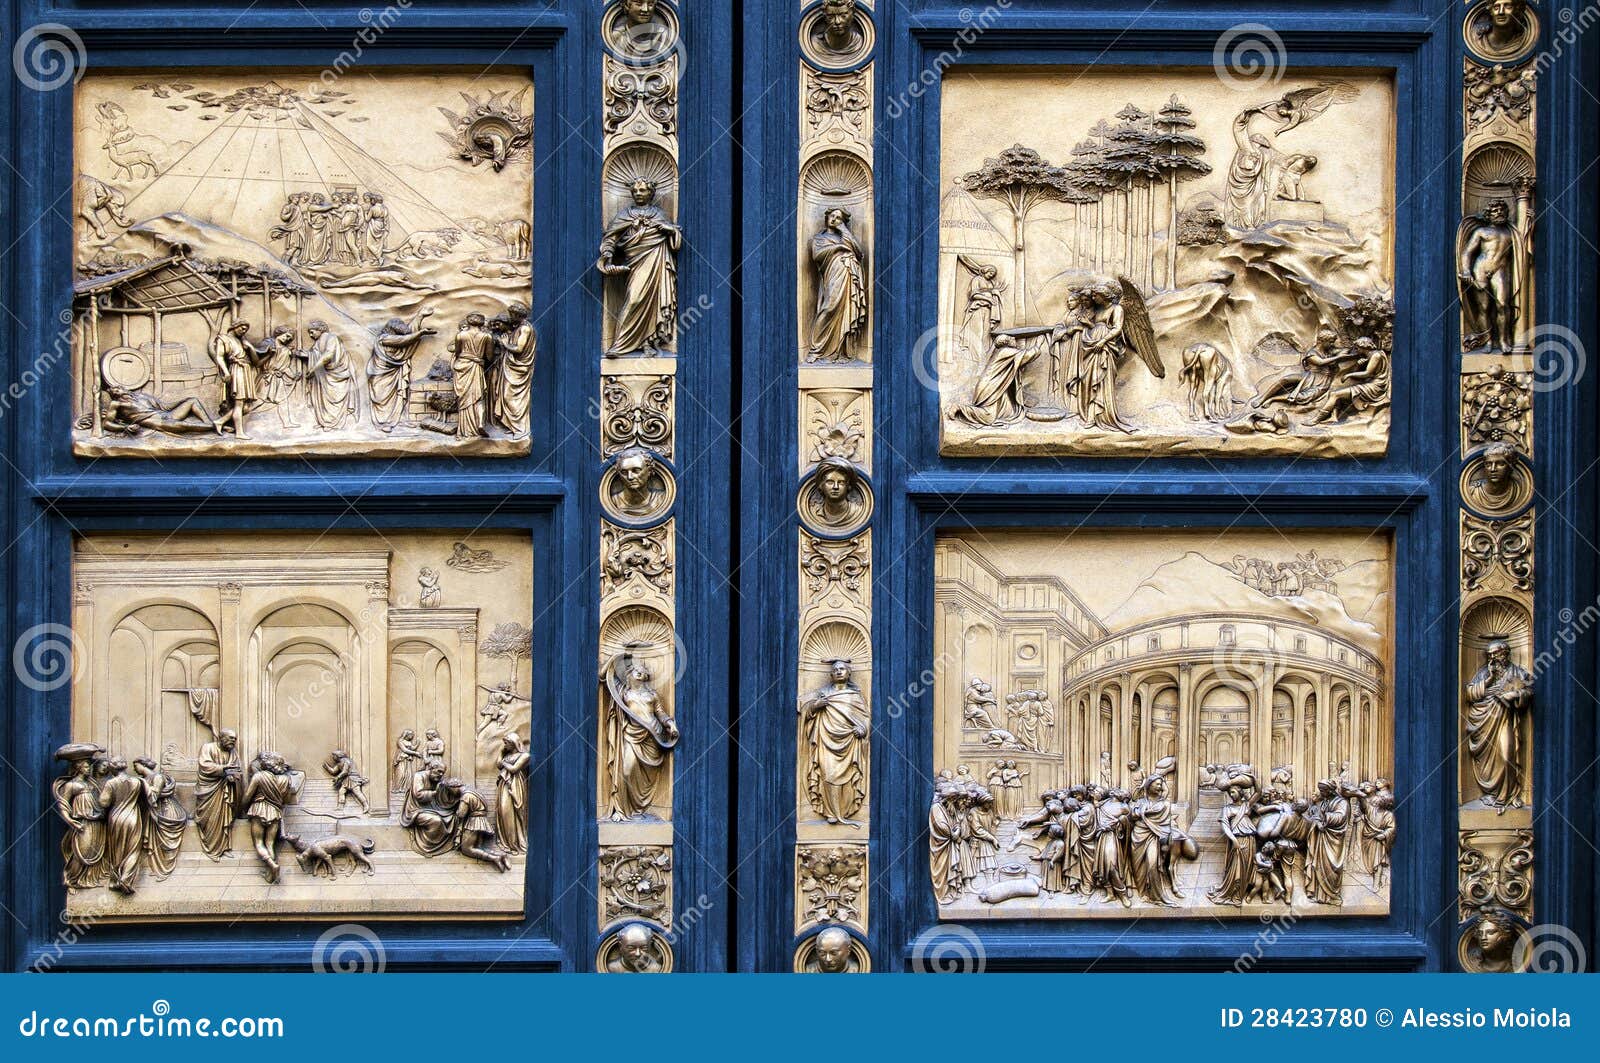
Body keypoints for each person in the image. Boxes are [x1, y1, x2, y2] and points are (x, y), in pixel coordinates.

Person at [597, 179, 682, 356]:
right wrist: (607, 256)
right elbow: (611, 238)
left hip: (656, 260)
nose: (638, 194)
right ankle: (619, 343)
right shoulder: (625, 215)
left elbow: (673, 239)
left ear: (650, 193)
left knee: (654, 301)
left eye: (642, 190)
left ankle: (647, 342)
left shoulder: (658, 214)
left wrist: (670, 230)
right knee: (634, 299)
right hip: (635, 261)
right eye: (635, 191)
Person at [603, 652, 679, 821]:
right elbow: (605, 676)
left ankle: (644, 807)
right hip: (632, 735)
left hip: (653, 736)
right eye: (636, 670)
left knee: (646, 776)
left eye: (642, 671)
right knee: (626, 770)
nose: (640, 673)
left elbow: (660, 713)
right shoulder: (624, 692)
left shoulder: (652, 695)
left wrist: (670, 724)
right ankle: (622, 810)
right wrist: (616, 657)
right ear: (629, 675)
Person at [1465, 639, 1534, 811]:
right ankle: (1494, 794)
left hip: (1504, 721)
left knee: (1506, 756)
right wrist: (1488, 679)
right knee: (1489, 762)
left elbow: (1528, 690)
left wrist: (1515, 695)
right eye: (1489, 655)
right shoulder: (1484, 673)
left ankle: (1509, 795)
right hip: (1485, 722)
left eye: (1495, 654)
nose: (1492, 659)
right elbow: (1470, 694)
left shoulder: (1516, 672)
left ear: (1505, 654)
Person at [798, 659, 869, 825]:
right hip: (825, 740)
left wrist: (862, 729)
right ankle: (831, 811)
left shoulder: (855, 696)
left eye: (842, 669)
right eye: (835, 669)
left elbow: (865, 718)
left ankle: (844, 810)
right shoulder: (822, 694)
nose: (838, 671)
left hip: (849, 741)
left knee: (848, 775)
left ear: (849, 673)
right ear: (830, 675)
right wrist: (816, 706)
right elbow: (804, 709)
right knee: (828, 774)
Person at [1458, 199, 1524, 353]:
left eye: (1502, 210)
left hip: (1500, 271)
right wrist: (1466, 271)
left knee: (1502, 304)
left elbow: (1524, 244)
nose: (1499, 212)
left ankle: (1503, 340)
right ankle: (1487, 341)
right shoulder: (1481, 232)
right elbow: (1467, 252)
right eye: (1495, 211)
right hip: (1480, 269)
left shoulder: (1511, 233)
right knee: (1484, 307)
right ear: (1488, 215)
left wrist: (1529, 223)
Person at [808, 207, 868, 362]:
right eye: (832, 215)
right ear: (827, 217)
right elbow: (816, 255)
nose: (834, 219)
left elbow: (859, 253)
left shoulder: (845, 236)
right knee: (829, 307)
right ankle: (816, 348)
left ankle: (841, 351)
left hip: (848, 275)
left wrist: (844, 231)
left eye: (839, 218)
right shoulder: (819, 238)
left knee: (847, 309)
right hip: (832, 274)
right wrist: (838, 247)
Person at [52, 743, 108, 889]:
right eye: (86, 766)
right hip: (83, 822)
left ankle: (88, 879)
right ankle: (72, 878)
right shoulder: (71, 785)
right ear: (78, 767)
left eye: (89, 766)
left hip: (96, 821)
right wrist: (70, 821)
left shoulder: (91, 783)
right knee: (83, 850)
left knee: (93, 850)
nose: (89, 769)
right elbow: (63, 805)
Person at [241, 751, 303, 883]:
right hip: (275, 812)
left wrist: (245, 810)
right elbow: (286, 800)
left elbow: (247, 797)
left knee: (259, 843)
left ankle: (272, 865)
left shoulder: (259, 776)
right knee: (270, 843)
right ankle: (272, 875)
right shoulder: (286, 779)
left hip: (259, 809)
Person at [368, 309, 434, 432]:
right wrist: (421, 333)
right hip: (381, 374)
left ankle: (398, 420)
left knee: (399, 395)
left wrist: (420, 316)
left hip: (395, 371)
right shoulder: (384, 338)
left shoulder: (396, 337)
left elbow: (408, 333)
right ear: (393, 329)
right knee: (382, 398)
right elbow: (403, 340)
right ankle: (385, 422)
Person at [133, 755, 186, 879]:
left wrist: (142, 784)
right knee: (156, 842)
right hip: (153, 812)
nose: (134, 769)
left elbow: (154, 795)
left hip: (165, 811)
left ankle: (165, 867)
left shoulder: (158, 777)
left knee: (165, 842)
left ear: (143, 764)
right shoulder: (144, 779)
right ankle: (157, 867)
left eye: (136, 766)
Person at [193, 728, 242, 859]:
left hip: (225, 790)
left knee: (225, 817)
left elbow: (237, 769)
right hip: (208, 790)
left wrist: (233, 777)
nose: (233, 741)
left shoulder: (233, 752)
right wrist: (224, 769)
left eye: (235, 739)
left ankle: (224, 847)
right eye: (231, 738)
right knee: (210, 819)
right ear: (221, 737)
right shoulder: (208, 748)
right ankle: (211, 846)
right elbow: (204, 765)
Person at [491, 302, 536, 435]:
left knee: (510, 397)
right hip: (511, 367)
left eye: (512, 315)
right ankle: (512, 426)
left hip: (518, 369)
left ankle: (520, 429)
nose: (510, 317)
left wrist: (505, 343)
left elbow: (519, 349)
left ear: (518, 315)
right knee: (506, 396)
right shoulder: (518, 328)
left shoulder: (525, 329)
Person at [101, 386, 221, 436]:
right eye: (113, 391)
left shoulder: (142, 396)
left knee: (192, 401)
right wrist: (126, 427)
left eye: (118, 388)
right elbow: (106, 424)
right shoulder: (116, 404)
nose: (117, 390)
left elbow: (164, 407)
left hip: (167, 415)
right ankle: (216, 426)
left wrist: (181, 401)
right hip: (157, 422)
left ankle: (210, 424)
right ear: (113, 396)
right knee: (185, 425)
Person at [210, 320, 260, 438]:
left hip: (245, 370)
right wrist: (226, 372)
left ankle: (220, 421)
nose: (244, 331)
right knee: (239, 404)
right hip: (237, 370)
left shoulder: (241, 341)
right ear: (235, 326)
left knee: (246, 407)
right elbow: (219, 357)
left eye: (246, 330)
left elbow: (256, 362)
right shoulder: (223, 339)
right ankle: (239, 433)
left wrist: (250, 347)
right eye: (242, 328)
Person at [305, 320, 356, 430]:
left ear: (320, 329)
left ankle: (333, 423)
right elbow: (316, 355)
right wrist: (307, 355)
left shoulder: (331, 338)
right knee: (324, 398)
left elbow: (328, 355)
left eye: (312, 332)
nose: (310, 335)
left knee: (335, 397)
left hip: (338, 374)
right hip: (325, 375)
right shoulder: (318, 342)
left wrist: (313, 369)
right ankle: (325, 421)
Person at [448, 314, 493, 438]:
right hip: (476, 367)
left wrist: (467, 355)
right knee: (479, 397)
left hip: (462, 367)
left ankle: (464, 429)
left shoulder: (460, 335)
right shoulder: (487, 336)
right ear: (482, 323)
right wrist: (478, 357)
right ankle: (480, 424)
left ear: (468, 322)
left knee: (463, 398)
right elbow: (489, 357)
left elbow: (458, 352)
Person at [257, 326, 305, 429]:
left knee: (283, 401)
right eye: (286, 336)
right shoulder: (267, 345)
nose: (287, 339)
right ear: (280, 333)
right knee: (257, 402)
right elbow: (257, 363)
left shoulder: (286, 351)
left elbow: (285, 368)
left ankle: (287, 423)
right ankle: (227, 419)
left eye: (289, 338)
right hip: (266, 378)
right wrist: (269, 354)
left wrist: (293, 376)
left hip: (278, 380)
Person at [496, 732, 531, 855]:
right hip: (504, 785)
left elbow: (514, 769)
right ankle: (507, 842)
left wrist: (504, 763)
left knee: (513, 812)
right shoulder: (507, 755)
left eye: (506, 743)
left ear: (514, 743)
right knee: (503, 811)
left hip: (515, 785)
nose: (505, 746)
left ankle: (515, 844)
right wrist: (501, 753)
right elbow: (498, 765)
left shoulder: (525, 755)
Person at [322, 749, 371, 814]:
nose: (333, 757)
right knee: (341, 791)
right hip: (346, 779)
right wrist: (327, 767)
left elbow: (345, 771)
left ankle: (366, 805)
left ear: (338, 756)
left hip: (353, 778)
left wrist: (338, 777)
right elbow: (333, 771)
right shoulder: (339, 763)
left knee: (357, 792)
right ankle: (340, 807)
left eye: (334, 756)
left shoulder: (346, 761)